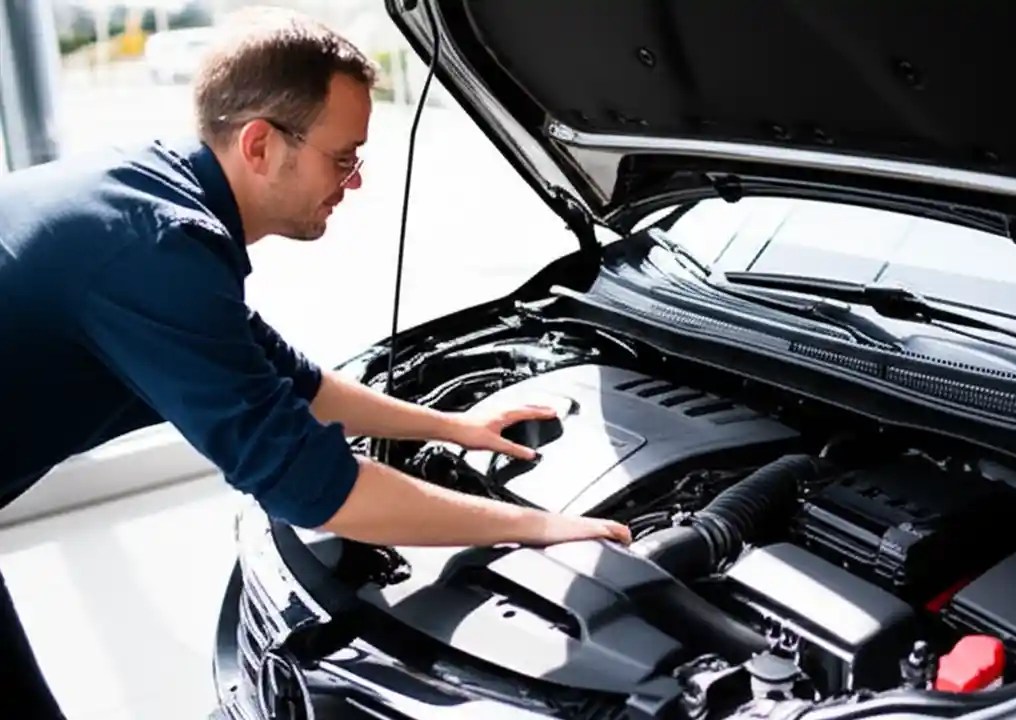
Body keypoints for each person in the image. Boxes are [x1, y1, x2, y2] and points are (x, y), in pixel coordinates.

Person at [0, 7, 630, 718]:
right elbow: (313, 491)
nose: (354, 181)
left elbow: (289, 379)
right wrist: (540, 527)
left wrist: (453, 426)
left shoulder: (155, 194)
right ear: (261, 144)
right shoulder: (153, 255)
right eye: (342, 157)